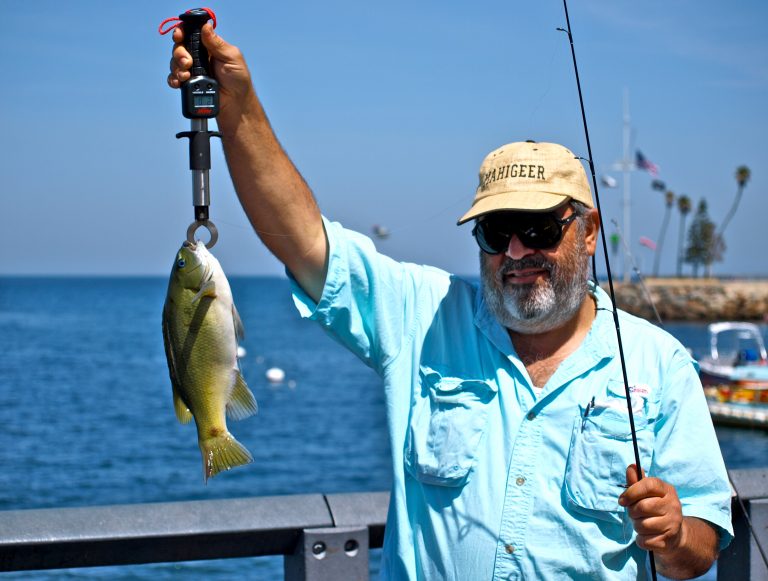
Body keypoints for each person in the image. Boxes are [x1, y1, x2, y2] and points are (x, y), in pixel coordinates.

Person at [167, 23, 733, 581]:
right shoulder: (422, 313)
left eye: (538, 229)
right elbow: (302, 239)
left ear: (589, 233)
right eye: (495, 230)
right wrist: (236, 106)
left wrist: (675, 533)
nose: (515, 251)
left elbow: (700, 550)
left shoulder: (658, 362)